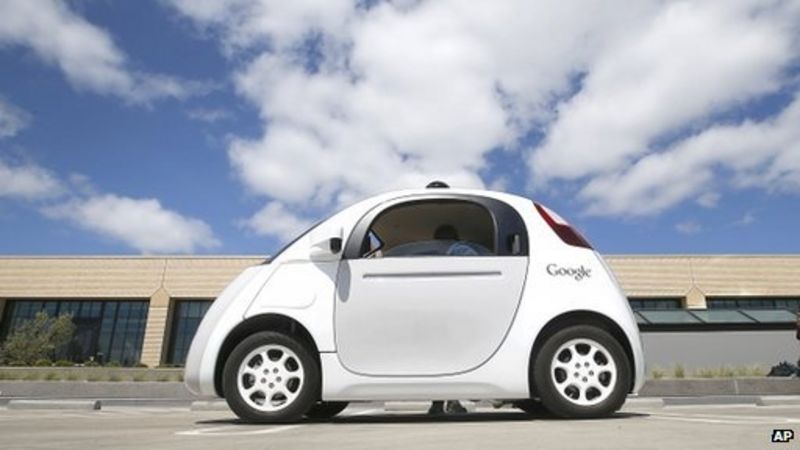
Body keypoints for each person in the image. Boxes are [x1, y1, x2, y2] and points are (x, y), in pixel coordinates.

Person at [427, 224, 471, 415]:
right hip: (453, 309)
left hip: (437, 310)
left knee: (438, 356)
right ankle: (451, 401)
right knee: (451, 356)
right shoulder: (459, 250)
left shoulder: (447, 252)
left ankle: (438, 403)